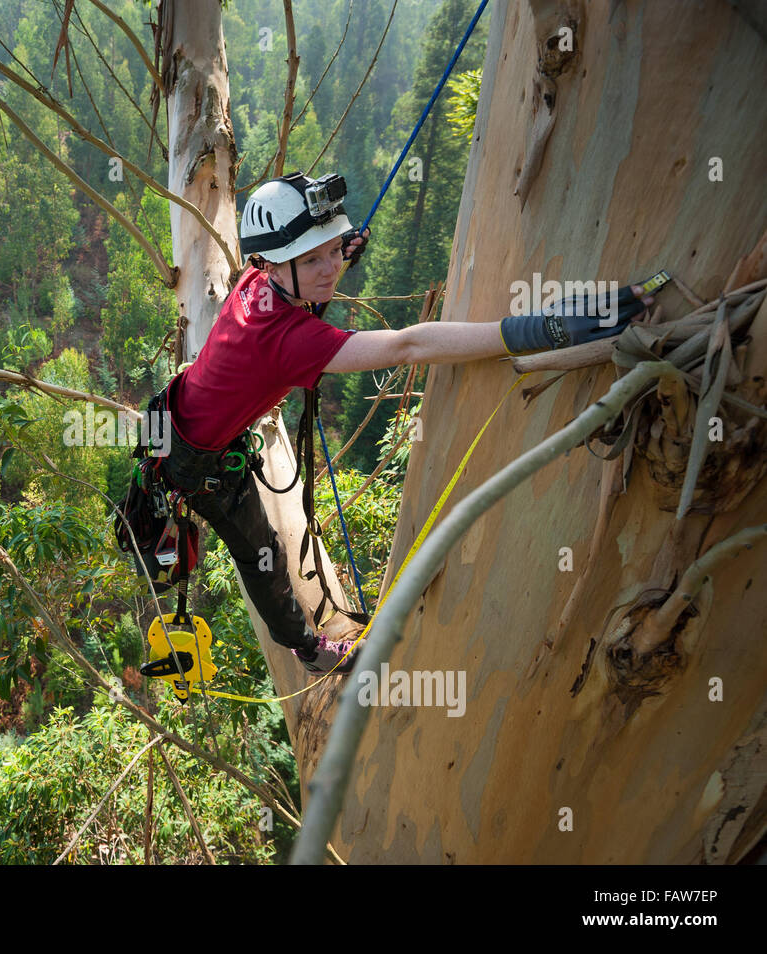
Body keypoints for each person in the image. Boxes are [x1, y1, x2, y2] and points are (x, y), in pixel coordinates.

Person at [144, 171, 654, 675]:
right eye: (312, 260)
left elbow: (306, 282)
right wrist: (539, 328)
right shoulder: (287, 340)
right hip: (196, 459)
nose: (329, 269)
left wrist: (338, 249)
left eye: (334, 252)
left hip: (176, 411)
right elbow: (408, 345)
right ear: (273, 265)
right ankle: (310, 650)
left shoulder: (259, 281)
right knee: (263, 553)